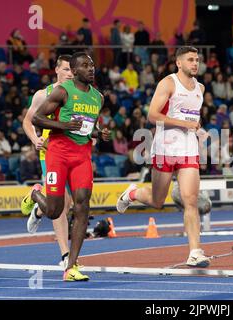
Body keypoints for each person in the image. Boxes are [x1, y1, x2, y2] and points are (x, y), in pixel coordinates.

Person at [116, 46, 210, 268]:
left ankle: (195, 251)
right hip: (165, 148)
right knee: (158, 201)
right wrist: (185, 124)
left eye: (197, 59)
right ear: (179, 63)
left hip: (188, 150)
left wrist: (198, 131)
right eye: (190, 60)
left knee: (190, 200)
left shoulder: (201, 88)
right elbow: (152, 115)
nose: (195, 63)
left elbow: (193, 117)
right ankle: (133, 193)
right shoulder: (168, 83)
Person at [21, 52, 110, 281]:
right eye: (84, 65)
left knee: (82, 207)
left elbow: (88, 127)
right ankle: (35, 193)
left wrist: (99, 133)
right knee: (54, 209)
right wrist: (64, 125)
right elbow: (36, 119)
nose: (90, 69)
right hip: (58, 154)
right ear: (74, 70)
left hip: (82, 157)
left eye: (92, 64)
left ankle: (71, 266)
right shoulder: (61, 91)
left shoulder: (98, 97)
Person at [22, 55, 74, 268]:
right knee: (61, 205)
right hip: (50, 153)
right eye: (66, 69)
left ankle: (38, 206)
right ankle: (65, 256)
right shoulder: (43, 94)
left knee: (69, 203)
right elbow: (27, 121)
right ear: (56, 70)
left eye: (73, 70)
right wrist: (36, 140)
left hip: (74, 153)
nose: (70, 73)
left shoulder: (80, 95)